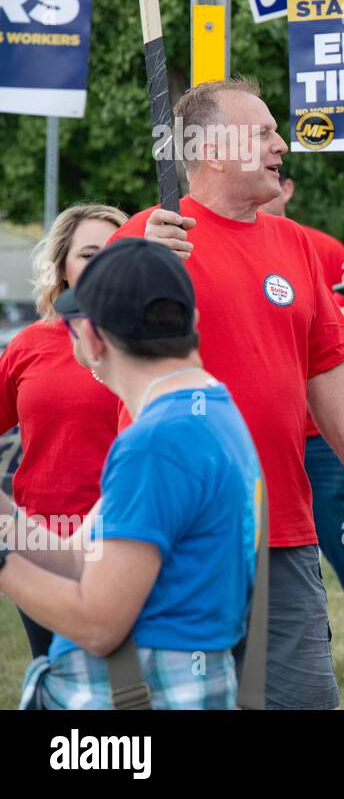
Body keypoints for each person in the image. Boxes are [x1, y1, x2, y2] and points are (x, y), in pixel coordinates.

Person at [118, 77, 344, 710]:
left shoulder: (294, 243)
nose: (282, 145)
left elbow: (325, 367)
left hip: (282, 524)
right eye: (264, 132)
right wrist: (138, 273)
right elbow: (98, 360)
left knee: (301, 699)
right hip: (174, 529)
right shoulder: (148, 236)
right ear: (214, 150)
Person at [0, 238, 258, 709]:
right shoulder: (207, 409)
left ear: (93, 337)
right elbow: (83, 557)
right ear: (191, 321)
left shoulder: (156, 443)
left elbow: (98, 624)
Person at [257, 167, 344, 672]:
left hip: (320, 435)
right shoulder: (190, 238)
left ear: (288, 188)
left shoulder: (318, 247)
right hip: (260, 437)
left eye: (278, 174)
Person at [0, 204, 126, 659]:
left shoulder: (153, 345)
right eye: (89, 254)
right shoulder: (28, 345)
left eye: (115, 251)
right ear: (62, 268)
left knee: (126, 677)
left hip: (128, 537)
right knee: (55, 672)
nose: (103, 264)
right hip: (38, 541)